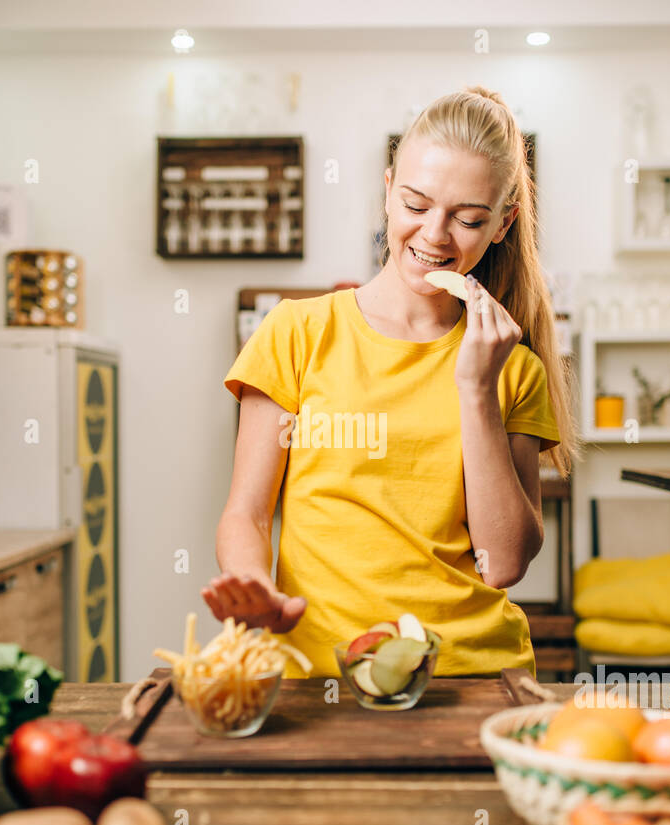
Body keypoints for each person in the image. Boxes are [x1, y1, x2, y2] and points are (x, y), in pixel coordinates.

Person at [203, 86, 578, 678]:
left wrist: (477, 390)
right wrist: (256, 592)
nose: (434, 235)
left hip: (470, 674)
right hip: (321, 671)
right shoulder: (296, 333)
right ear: (387, 191)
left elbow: (503, 563)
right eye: (416, 204)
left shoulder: (511, 367)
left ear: (503, 223)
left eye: (468, 218)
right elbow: (246, 515)